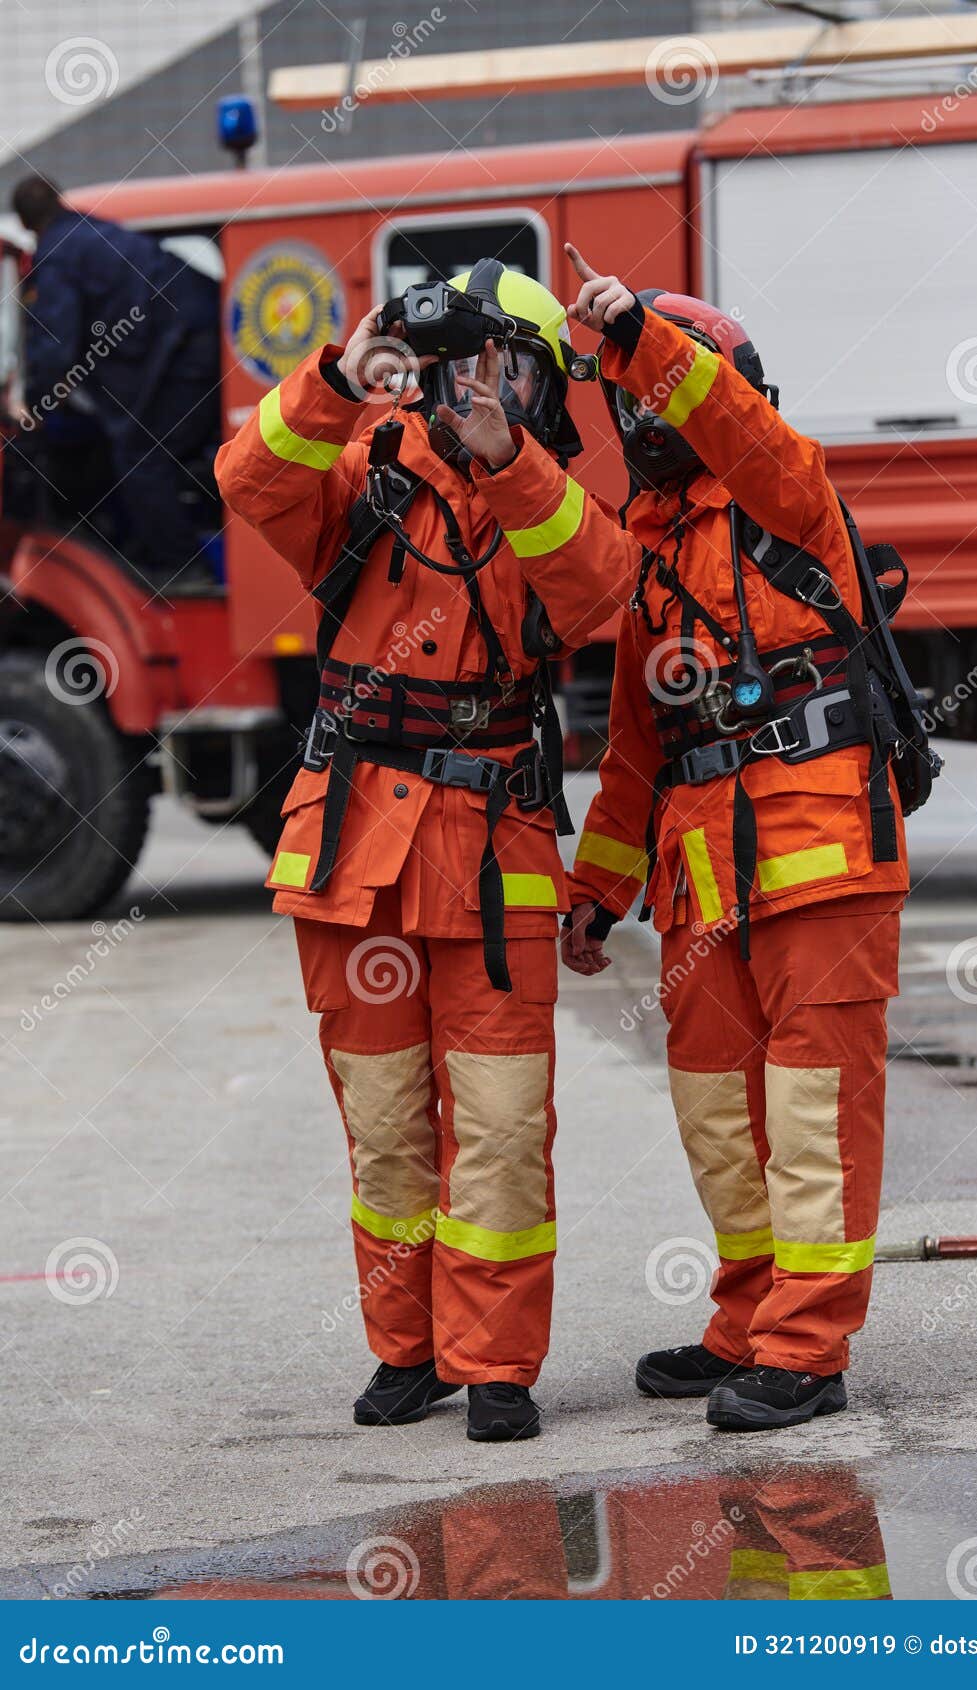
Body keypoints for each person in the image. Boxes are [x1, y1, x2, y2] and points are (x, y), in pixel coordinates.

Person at [215, 260, 631, 1442]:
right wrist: (344, 374)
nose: (480, 382)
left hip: (489, 846)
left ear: (545, 387)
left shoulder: (541, 492)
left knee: (500, 1125)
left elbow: (598, 592)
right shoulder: (367, 465)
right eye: (467, 358)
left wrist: (502, 456)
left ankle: (495, 1365)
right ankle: (407, 1351)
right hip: (357, 847)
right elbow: (248, 478)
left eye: (509, 366)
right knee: (386, 1118)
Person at [558, 244, 910, 1430]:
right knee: (721, 1113)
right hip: (702, 876)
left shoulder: (786, 492)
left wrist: (635, 331)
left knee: (813, 1114)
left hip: (819, 859)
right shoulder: (649, 553)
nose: (629, 415)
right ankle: (748, 1320)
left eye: (643, 393)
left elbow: (739, 434)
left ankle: (807, 1350)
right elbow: (633, 748)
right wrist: (595, 892)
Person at [12, 174, 219, 587]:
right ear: (57, 199)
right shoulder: (95, 231)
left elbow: (55, 348)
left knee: (140, 456)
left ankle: (184, 572)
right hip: (202, 339)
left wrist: (33, 405)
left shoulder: (56, 256)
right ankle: (160, 548)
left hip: (184, 353)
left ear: (27, 224)